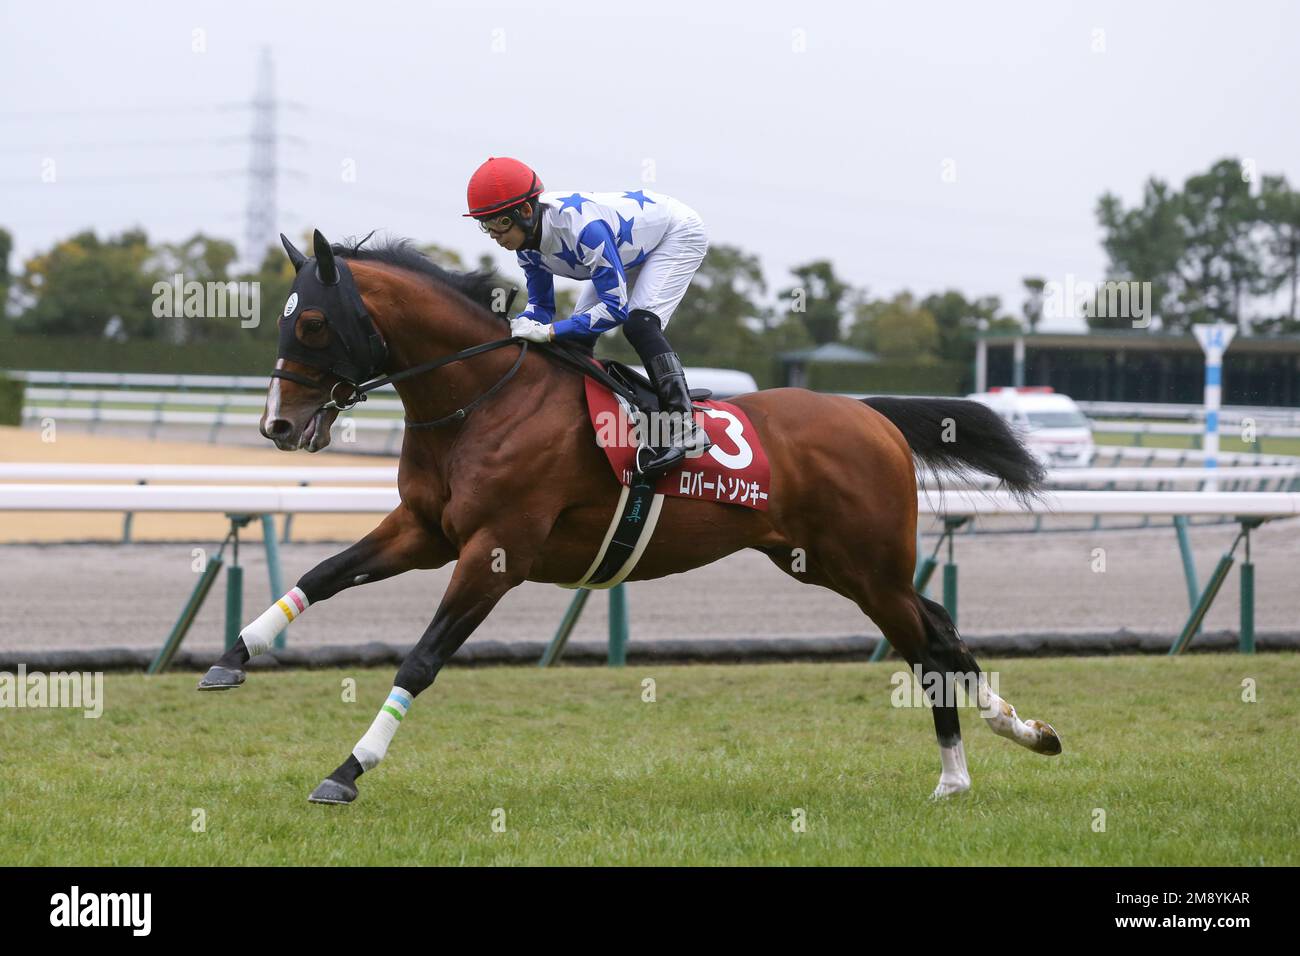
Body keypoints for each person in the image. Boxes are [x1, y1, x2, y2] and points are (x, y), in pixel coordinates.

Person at [465, 156, 711, 476]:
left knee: (638, 323)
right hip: (625, 246)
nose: (493, 235)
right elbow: (542, 307)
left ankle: (683, 427)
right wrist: (519, 325)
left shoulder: (582, 230)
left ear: (525, 212)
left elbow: (614, 308)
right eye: (485, 224)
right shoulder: (524, 245)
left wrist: (550, 333)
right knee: (578, 337)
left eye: (498, 222)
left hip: (674, 234)